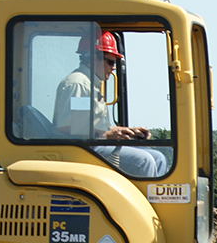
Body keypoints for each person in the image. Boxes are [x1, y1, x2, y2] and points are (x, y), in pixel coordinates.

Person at [53, 30, 168, 177]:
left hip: (93, 145)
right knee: (144, 161)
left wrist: (126, 131)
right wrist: (107, 135)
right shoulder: (78, 84)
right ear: (94, 58)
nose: (113, 67)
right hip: (82, 150)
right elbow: (66, 128)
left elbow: (88, 126)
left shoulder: (90, 84)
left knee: (158, 158)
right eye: (110, 62)